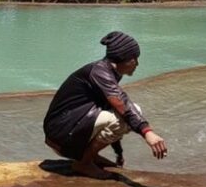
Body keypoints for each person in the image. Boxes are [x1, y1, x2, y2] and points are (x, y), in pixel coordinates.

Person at [43, 31, 168, 179]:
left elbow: (115, 107)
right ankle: (83, 163)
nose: (137, 63)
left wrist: (118, 152)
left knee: (128, 114)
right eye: (134, 58)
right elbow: (122, 105)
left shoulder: (108, 71)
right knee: (124, 117)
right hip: (60, 133)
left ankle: (90, 156)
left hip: (68, 128)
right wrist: (147, 132)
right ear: (122, 58)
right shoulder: (100, 72)